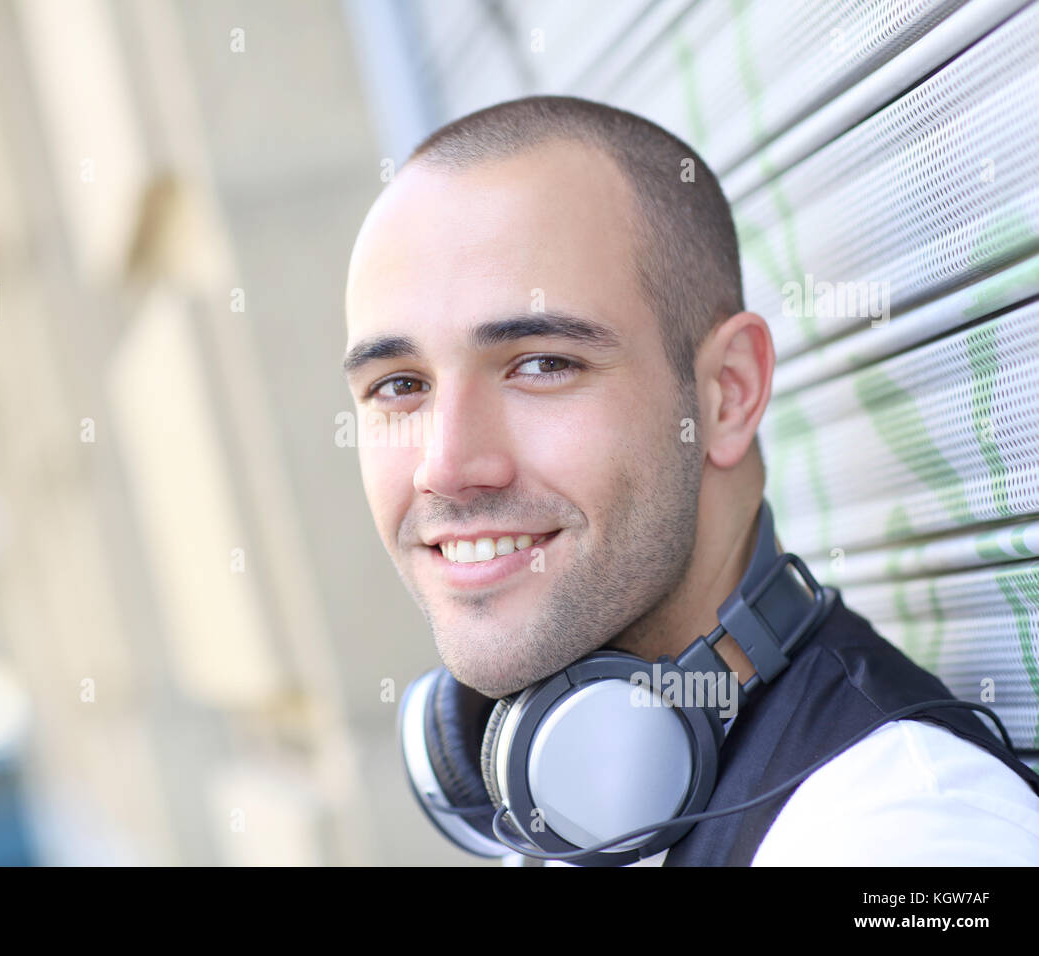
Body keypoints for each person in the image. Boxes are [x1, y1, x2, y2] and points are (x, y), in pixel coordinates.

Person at [340, 95, 1039, 865]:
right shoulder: (578, 808)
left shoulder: (902, 834)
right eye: (398, 385)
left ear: (727, 393)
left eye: (542, 364)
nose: (444, 467)